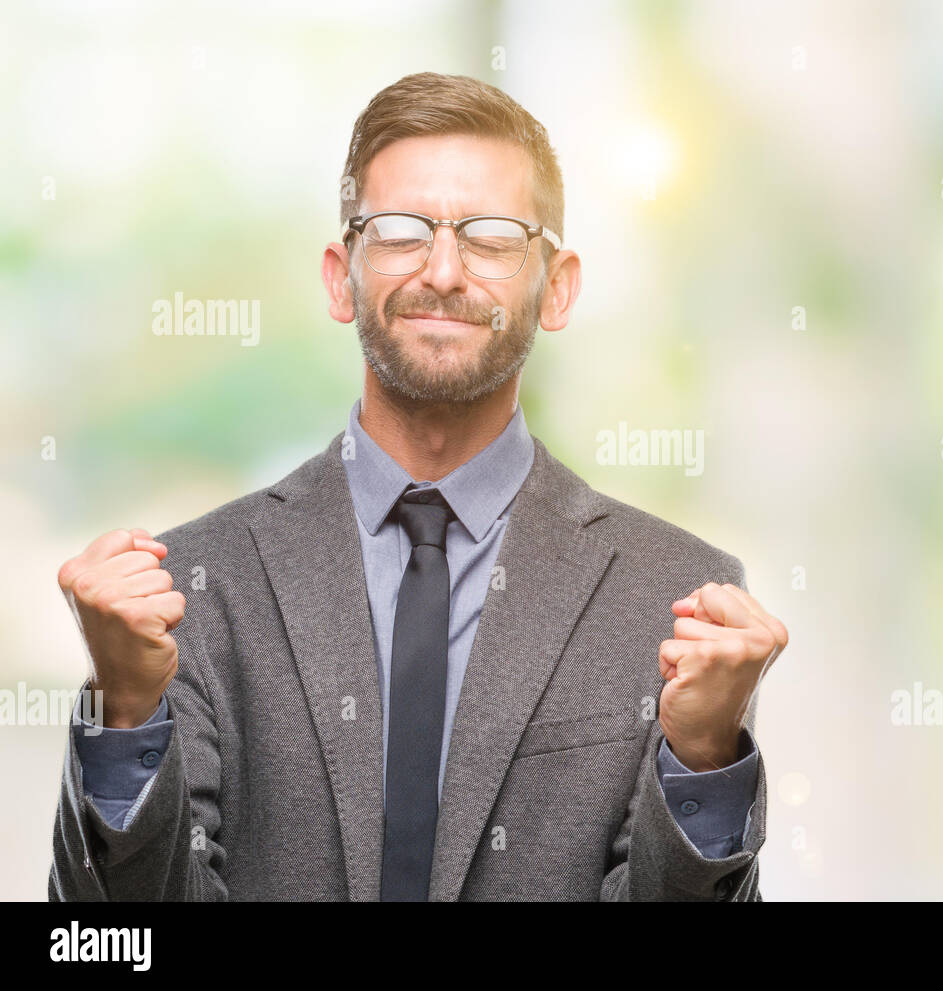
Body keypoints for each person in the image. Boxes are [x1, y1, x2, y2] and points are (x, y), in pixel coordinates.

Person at [49, 72, 788, 901]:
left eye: (492, 236)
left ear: (560, 286)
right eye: (400, 231)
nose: (443, 271)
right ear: (341, 276)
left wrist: (701, 763)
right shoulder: (193, 586)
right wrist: (125, 717)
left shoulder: (674, 598)